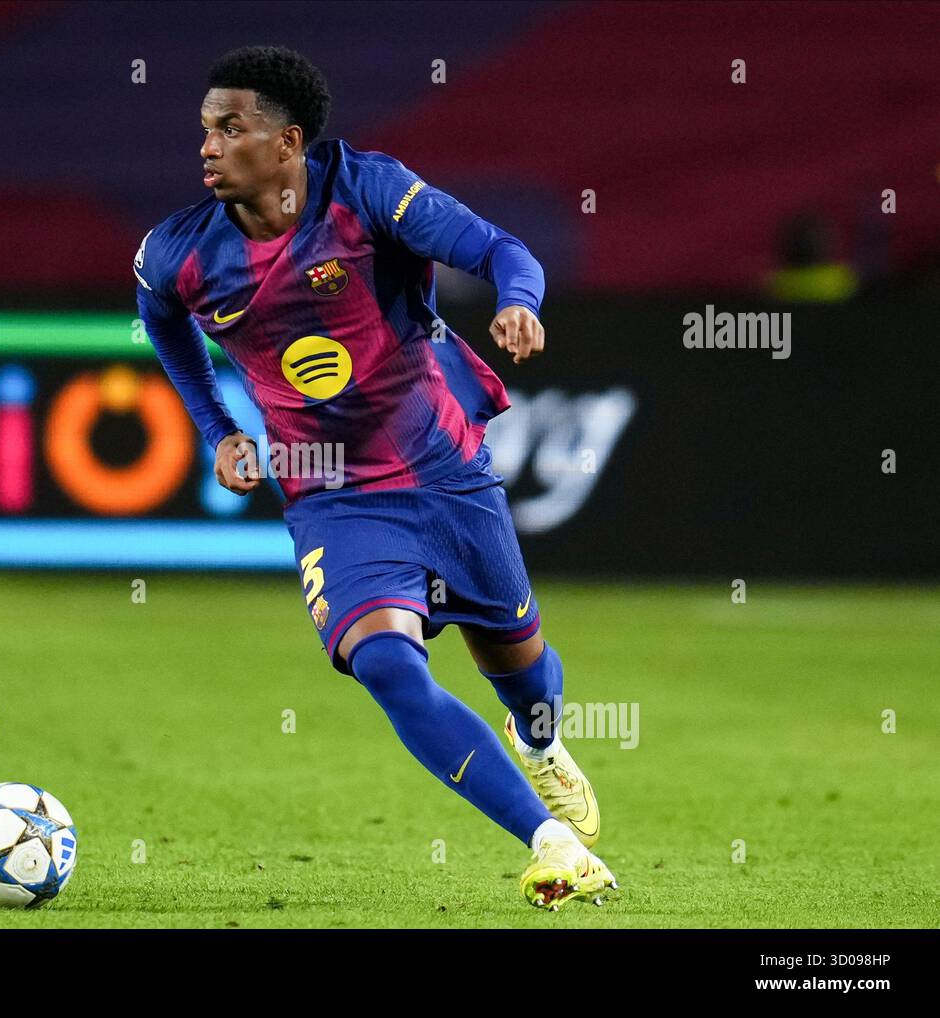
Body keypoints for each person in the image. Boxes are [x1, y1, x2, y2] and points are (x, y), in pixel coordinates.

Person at [134, 45, 615, 911]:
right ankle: (553, 846)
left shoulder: (367, 192)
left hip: (443, 468)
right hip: (331, 492)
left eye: (229, 128)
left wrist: (518, 302)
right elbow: (163, 324)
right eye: (204, 128)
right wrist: (218, 430)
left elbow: (503, 249)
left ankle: (539, 742)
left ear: (287, 143)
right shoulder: (179, 253)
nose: (206, 145)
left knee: (523, 669)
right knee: (386, 663)